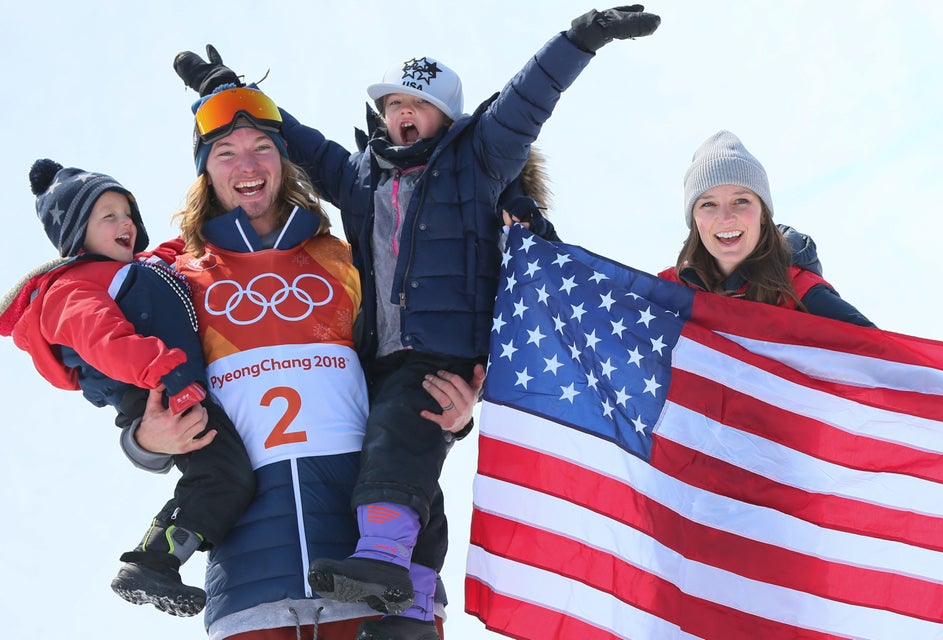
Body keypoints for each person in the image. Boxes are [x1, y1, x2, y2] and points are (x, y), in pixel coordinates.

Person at [172, 7, 660, 639]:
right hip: (383, 357)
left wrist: (581, 37)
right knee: (407, 468)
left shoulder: (475, 162)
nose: (404, 113)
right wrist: (226, 89)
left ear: (447, 118)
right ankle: (410, 607)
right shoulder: (360, 179)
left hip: (440, 350)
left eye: (420, 105)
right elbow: (287, 138)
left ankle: (381, 560)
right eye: (394, 104)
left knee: (397, 449)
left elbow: (527, 99)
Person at [120, 83, 482, 640]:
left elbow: (403, 372)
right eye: (226, 152)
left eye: (262, 147)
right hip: (251, 588)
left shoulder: (346, 259)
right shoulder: (175, 278)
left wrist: (453, 419)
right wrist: (145, 441)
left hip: (378, 587)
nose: (247, 164)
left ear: (285, 162)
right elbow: (130, 385)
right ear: (205, 173)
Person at [0, 159, 256, 617]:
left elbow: (181, 248)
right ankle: (153, 563)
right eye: (109, 216)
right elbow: (107, 343)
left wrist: (219, 208)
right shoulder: (73, 287)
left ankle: (156, 560)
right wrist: (168, 375)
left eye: (128, 214)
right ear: (78, 232)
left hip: (175, 383)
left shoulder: (140, 267)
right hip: (157, 389)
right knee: (225, 475)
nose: (126, 224)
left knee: (221, 473)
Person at [660, 129, 874, 326]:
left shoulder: (802, 294)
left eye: (741, 201)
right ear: (694, 218)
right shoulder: (666, 296)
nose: (726, 218)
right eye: (708, 204)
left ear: (763, 212)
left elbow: (878, 351)